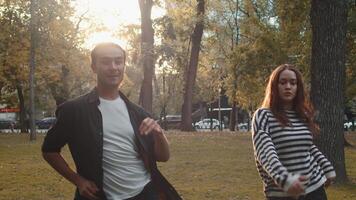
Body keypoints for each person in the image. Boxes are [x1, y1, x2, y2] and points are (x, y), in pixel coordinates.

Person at [42, 42, 181, 200]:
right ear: (94, 67)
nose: (113, 67)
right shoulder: (74, 110)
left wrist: (159, 133)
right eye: (106, 62)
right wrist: (78, 181)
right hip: (99, 195)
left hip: (145, 193)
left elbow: (163, 157)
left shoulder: (138, 113)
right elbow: (49, 150)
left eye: (118, 61)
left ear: (123, 66)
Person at [251, 64, 336, 200]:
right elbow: (265, 151)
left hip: (314, 189)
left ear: (298, 87)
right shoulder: (263, 115)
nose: (288, 87)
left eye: (293, 83)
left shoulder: (301, 115)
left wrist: (327, 168)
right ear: (274, 86)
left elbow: (307, 147)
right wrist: (285, 180)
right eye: (282, 82)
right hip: (281, 194)